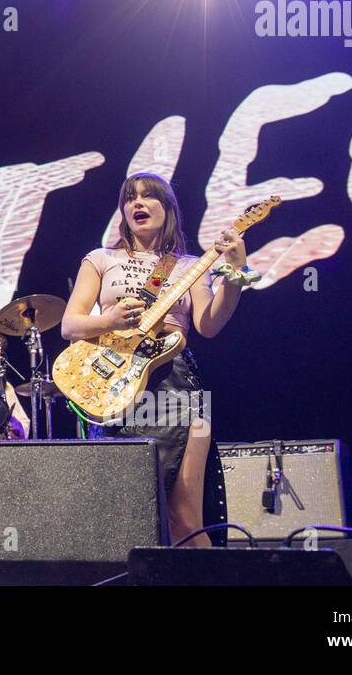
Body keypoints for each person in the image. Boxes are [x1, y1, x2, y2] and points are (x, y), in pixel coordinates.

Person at [60, 172, 245, 547]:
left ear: (169, 208)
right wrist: (108, 320)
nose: (137, 203)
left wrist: (235, 274)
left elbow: (208, 326)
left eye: (148, 196)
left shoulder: (190, 265)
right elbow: (69, 325)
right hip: (116, 386)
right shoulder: (100, 259)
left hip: (176, 386)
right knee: (125, 514)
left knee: (184, 516)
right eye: (130, 198)